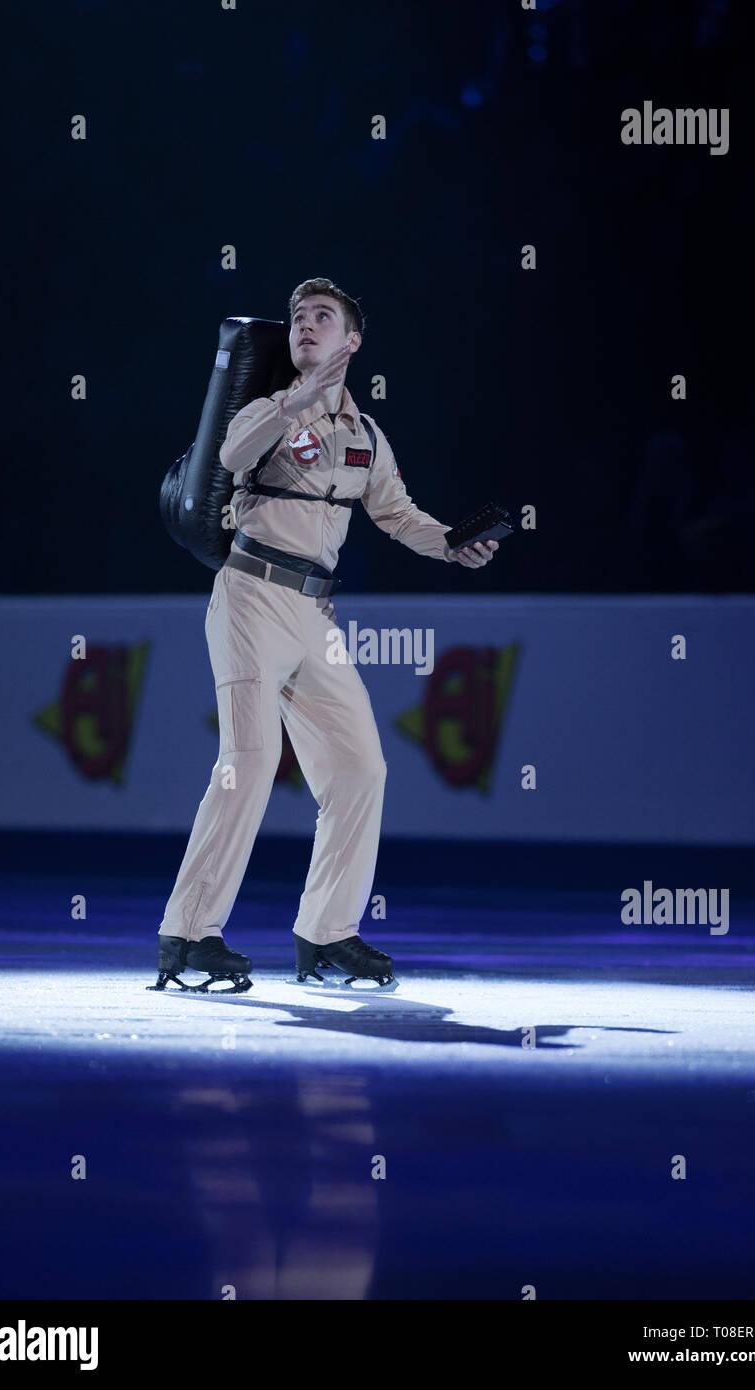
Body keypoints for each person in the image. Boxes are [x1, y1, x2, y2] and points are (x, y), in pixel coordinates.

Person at [151, 277, 497, 995]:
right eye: (299, 317)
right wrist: (293, 401)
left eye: (323, 317)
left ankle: (326, 933)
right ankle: (188, 934)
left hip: (316, 615)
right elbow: (231, 454)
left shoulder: (367, 437)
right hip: (250, 594)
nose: (306, 325)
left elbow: (399, 515)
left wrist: (453, 545)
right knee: (248, 757)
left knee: (360, 768)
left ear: (352, 341)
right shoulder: (269, 407)